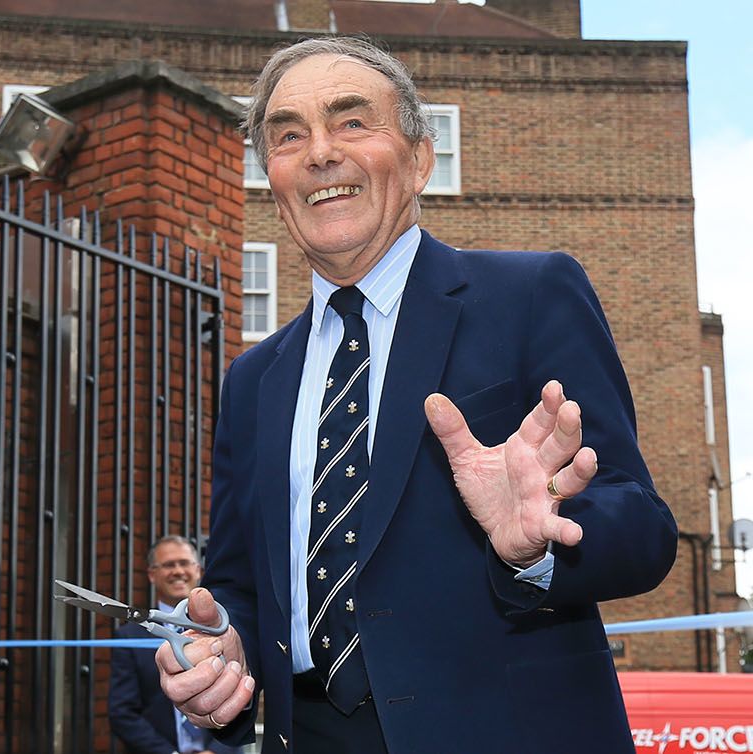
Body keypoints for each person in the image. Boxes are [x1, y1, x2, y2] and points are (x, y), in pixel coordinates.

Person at [154, 37, 677, 754]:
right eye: (287, 135)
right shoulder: (253, 380)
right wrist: (221, 661)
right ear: (271, 177)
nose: (319, 153)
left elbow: (642, 528)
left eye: (351, 122)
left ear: (420, 157)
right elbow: (245, 590)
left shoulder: (529, 295)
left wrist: (536, 548)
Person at [110, 536, 242, 754]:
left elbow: (245, 692)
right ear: (152, 575)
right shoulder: (129, 636)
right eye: (169, 565)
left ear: (198, 570)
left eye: (184, 563)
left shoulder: (227, 630)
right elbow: (122, 713)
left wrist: (217, 750)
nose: (178, 571)